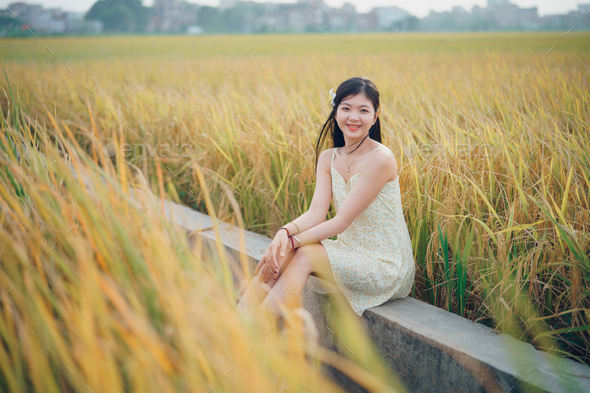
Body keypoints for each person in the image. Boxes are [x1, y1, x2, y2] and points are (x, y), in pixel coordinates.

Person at [237, 76, 416, 323]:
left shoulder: (380, 159)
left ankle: (253, 332)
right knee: (282, 250)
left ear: (375, 117)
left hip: (385, 263)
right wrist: (284, 233)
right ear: (336, 112)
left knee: (303, 254)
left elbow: (340, 222)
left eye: (363, 110)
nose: (353, 117)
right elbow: (316, 214)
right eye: (346, 108)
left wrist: (293, 242)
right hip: (350, 252)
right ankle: (235, 327)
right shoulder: (328, 158)